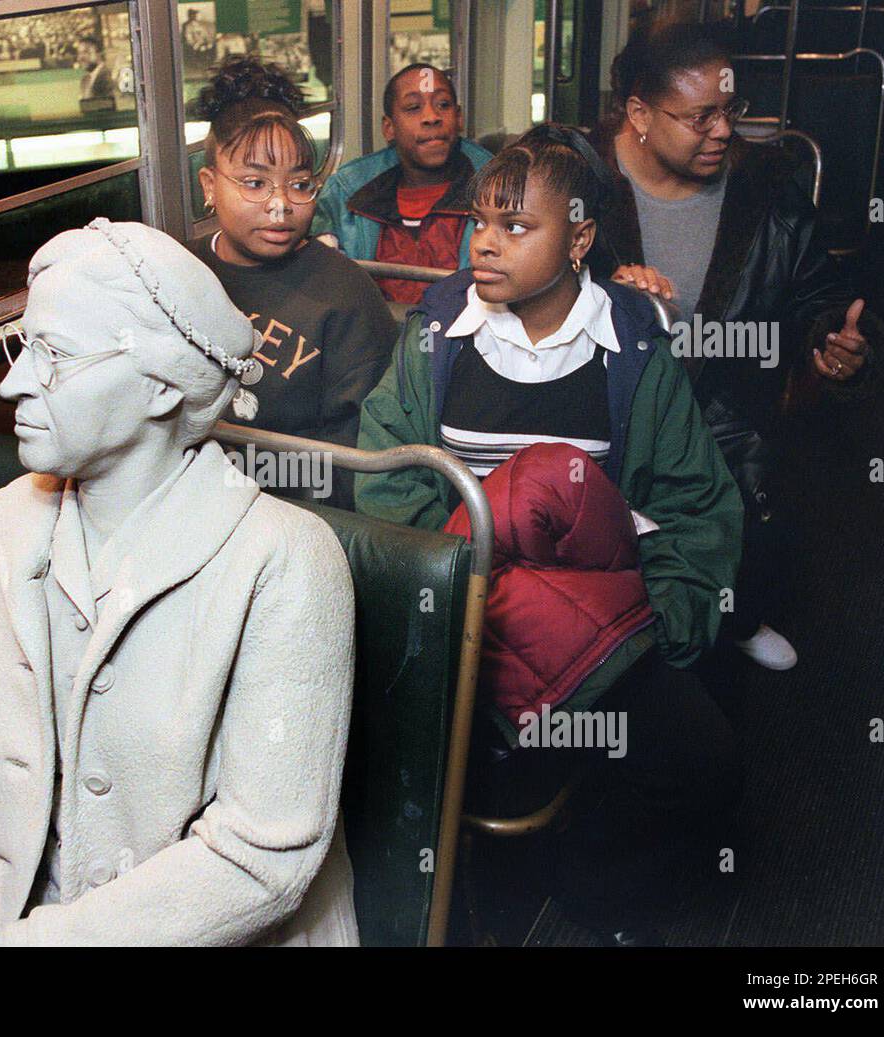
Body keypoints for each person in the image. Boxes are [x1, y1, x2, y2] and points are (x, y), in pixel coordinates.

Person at [0, 218, 359, 946]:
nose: (15, 384)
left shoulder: (286, 561)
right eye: (24, 347)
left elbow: (262, 860)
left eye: (57, 355)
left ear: (161, 387)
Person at [356, 125, 744, 942]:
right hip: (468, 610)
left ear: (578, 238)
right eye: (479, 222)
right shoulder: (435, 336)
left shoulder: (630, 350)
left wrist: (663, 623)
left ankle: (590, 892)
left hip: (596, 614)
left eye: (515, 226)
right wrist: (460, 600)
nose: (484, 243)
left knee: (704, 763)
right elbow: (388, 477)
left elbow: (696, 503)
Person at [586, 19, 882, 671]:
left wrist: (834, 341)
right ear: (639, 114)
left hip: (725, 417)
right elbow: (532, 281)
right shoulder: (580, 181)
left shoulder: (767, 192)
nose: (723, 130)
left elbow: (818, 298)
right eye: (700, 117)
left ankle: (737, 615)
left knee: (729, 537)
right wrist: (604, 293)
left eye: (730, 109)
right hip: (604, 411)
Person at [189, 56, 397, 509]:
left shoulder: (347, 293)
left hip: (297, 511)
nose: (280, 205)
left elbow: (359, 460)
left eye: (300, 185)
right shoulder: (178, 275)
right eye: (254, 183)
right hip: (187, 498)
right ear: (209, 185)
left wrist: (237, 487)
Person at [311, 63, 493, 304]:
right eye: (413, 108)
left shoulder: (497, 189)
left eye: (443, 105)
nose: (432, 117)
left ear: (459, 118)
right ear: (389, 128)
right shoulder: (345, 192)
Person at [76, 36, 114, 101]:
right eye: (79, 53)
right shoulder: (85, 80)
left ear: (99, 53)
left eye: (86, 52)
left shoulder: (109, 77)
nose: (80, 58)